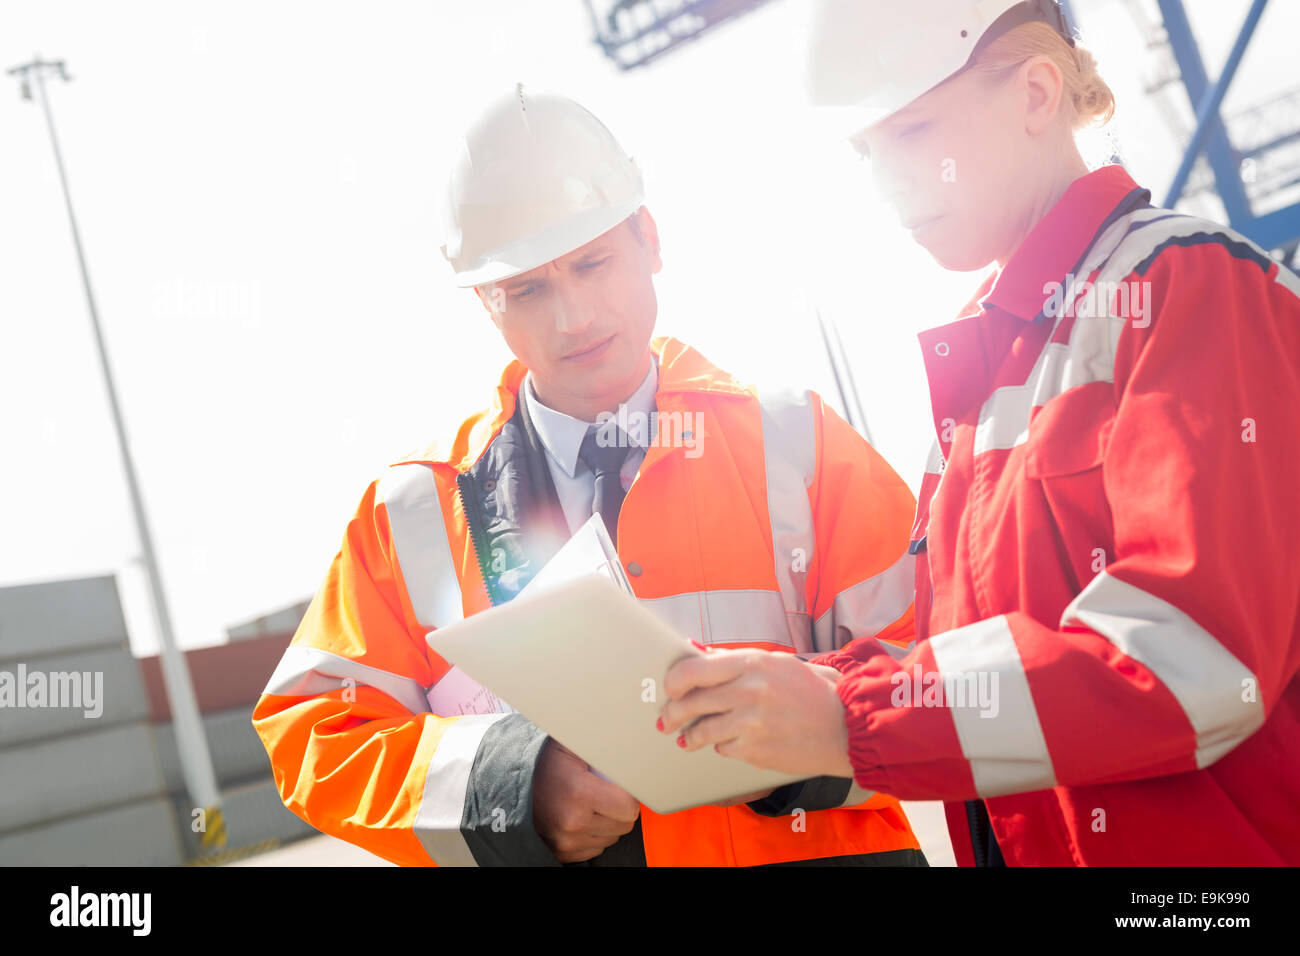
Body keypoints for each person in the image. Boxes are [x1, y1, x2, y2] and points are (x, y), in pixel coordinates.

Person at [658, 0, 1300, 865]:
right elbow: (978, 661)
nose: (886, 179)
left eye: (914, 130)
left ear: (1037, 93)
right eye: (866, 150)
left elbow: (1197, 654)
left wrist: (852, 719)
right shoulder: (988, 377)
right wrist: (804, 687)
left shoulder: (1187, 287)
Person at [253, 85, 928, 866]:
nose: (573, 318)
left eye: (592, 263)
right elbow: (315, 731)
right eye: (529, 289)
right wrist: (513, 786)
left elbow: (935, 667)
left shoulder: (796, 443)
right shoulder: (412, 513)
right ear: (485, 302)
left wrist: (797, 731)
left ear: (649, 238)